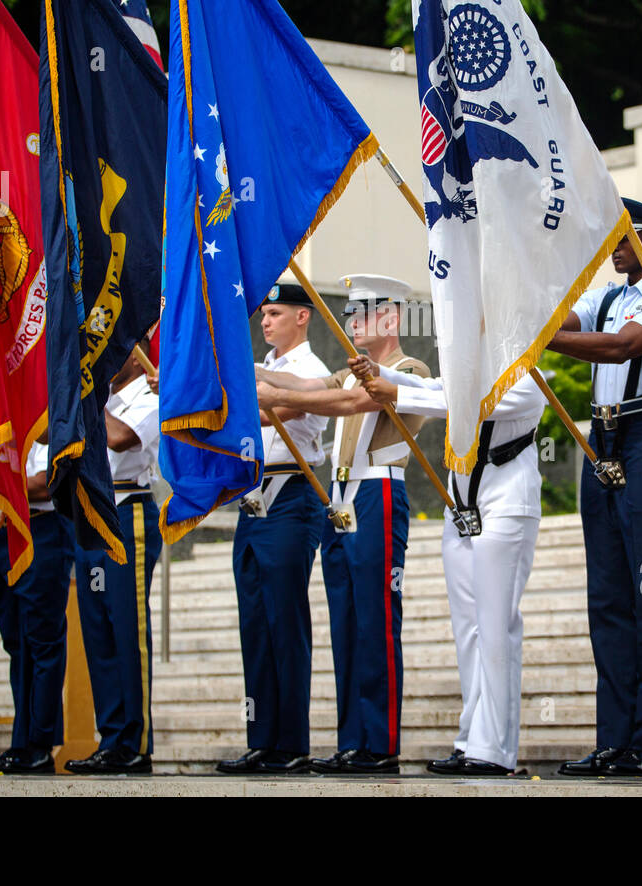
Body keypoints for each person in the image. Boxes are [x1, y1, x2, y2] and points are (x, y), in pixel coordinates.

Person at [256, 274, 430, 774]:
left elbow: (346, 402)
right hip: (343, 494)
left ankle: (380, 744)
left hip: (379, 489)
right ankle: (354, 739)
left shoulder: (406, 368)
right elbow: (307, 384)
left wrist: (273, 398)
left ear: (391, 320)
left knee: (375, 621)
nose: (352, 323)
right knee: (347, 624)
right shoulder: (352, 370)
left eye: (364, 314)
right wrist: (246, 370)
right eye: (350, 314)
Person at [548, 199, 642, 778]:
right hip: (601, 435)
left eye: (624, 238)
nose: (612, 248)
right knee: (607, 596)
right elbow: (569, 323)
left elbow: (621, 347)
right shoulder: (605, 296)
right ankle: (613, 739)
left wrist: (535, 344)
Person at [352, 356, 544, 776]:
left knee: (495, 629)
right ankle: (472, 739)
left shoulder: (529, 377)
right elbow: (444, 386)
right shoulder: (472, 371)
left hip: (507, 500)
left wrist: (398, 394)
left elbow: (472, 405)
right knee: (468, 630)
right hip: (460, 501)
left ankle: (494, 750)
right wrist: (383, 373)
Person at [217, 283, 331, 775]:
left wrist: (225, 405)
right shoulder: (263, 366)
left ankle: (292, 743)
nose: (265, 322)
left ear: (303, 317)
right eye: (262, 314)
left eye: (276, 313)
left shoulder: (311, 369)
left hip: (290, 496)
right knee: (256, 627)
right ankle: (262, 738)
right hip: (252, 499)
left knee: (285, 623)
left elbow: (284, 410)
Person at [65, 344, 162, 775]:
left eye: (115, 348)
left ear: (138, 353)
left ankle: (134, 742)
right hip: (91, 512)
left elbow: (122, 437)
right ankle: (111, 736)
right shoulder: (101, 397)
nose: (103, 357)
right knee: (99, 631)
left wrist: (85, 399)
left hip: (128, 510)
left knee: (127, 629)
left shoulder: (151, 393)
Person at [0, 441, 76, 775]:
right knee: (16, 643)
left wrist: (1, 484)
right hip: (8, 531)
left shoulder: (51, 421)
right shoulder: (6, 429)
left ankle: (40, 745)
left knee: (43, 642)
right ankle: (21, 743)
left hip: (44, 528)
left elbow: (49, 482)